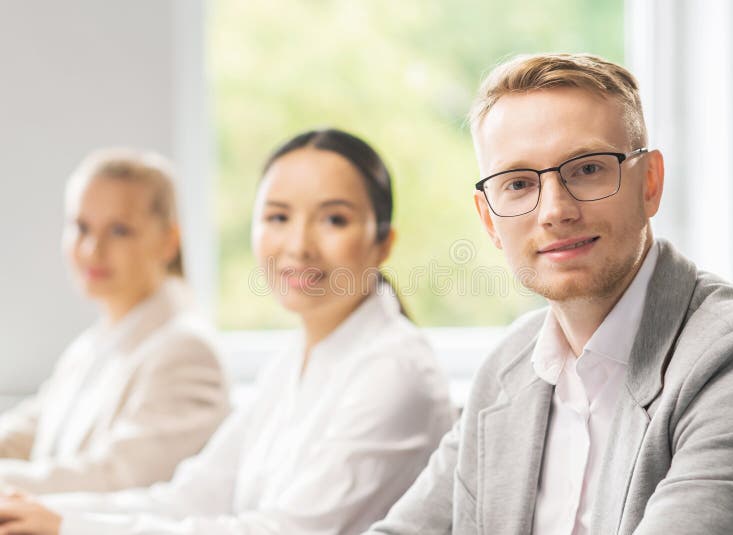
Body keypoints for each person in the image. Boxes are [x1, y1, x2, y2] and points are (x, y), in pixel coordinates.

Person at [365, 53, 733, 534]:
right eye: (517, 183)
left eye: (588, 169)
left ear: (649, 184)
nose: (554, 210)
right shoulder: (508, 368)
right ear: (489, 219)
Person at [0, 129, 454, 535]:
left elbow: (285, 531)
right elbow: (188, 498)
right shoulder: (295, 358)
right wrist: (39, 512)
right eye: (278, 218)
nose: (298, 245)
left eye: (333, 219)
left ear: (384, 242)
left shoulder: (395, 371)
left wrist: (66, 525)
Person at [0, 148, 229, 495]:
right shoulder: (96, 341)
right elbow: (33, 428)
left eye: (119, 230)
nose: (92, 249)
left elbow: (116, 478)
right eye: (81, 227)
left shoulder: (186, 351)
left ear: (168, 242)